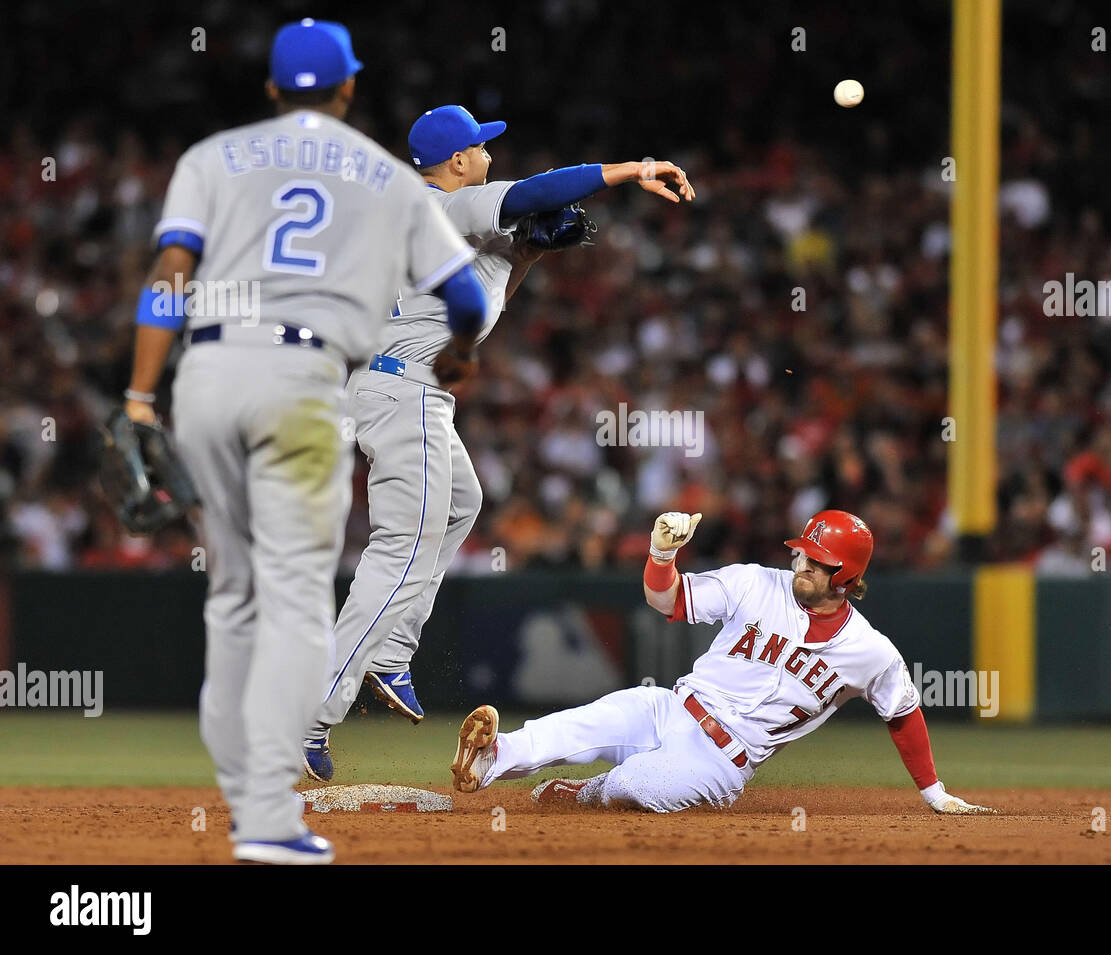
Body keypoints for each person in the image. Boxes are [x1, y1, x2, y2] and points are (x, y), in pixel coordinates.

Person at [124, 19, 486, 864]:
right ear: (349, 88)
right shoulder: (386, 177)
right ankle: (270, 816)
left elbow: (168, 277)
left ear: (273, 89)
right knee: (293, 599)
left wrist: (142, 397)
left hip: (209, 377)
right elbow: (462, 296)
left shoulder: (210, 157)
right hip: (300, 383)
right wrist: (460, 352)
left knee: (235, 597)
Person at [301, 105, 695, 781]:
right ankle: (311, 715)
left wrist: (531, 252)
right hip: (405, 395)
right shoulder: (438, 205)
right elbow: (534, 192)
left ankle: (392, 651)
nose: (487, 155)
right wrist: (631, 169)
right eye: (479, 148)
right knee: (396, 552)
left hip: (408, 392)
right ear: (456, 162)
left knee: (461, 501)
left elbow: (483, 307)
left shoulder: (448, 227)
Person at [450, 510, 995, 815]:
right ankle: (491, 758)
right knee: (578, 725)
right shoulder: (755, 582)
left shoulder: (870, 652)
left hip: (722, 762)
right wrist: (662, 555)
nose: (801, 562)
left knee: (637, 784)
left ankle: (589, 792)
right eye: (802, 551)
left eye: (818, 560)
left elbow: (902, 714)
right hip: (673, 707)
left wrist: (933, 791)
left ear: (847, 575)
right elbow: (667, 600)